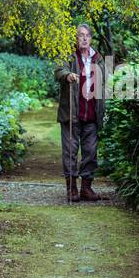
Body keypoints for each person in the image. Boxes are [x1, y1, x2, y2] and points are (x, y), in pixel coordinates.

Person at [54, 23, 107, 203]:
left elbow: (105, 80)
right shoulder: (69, 55)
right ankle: (71, 189)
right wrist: (67, 75)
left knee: (90, 152)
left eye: (87, 35)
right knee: (70, 151)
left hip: (92, 113)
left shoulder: (98, 58)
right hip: (72, 113)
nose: (84, 38)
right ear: (75, 39)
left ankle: (86, 187)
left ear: (91, 38)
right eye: (80, 35)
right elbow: (59, 70)